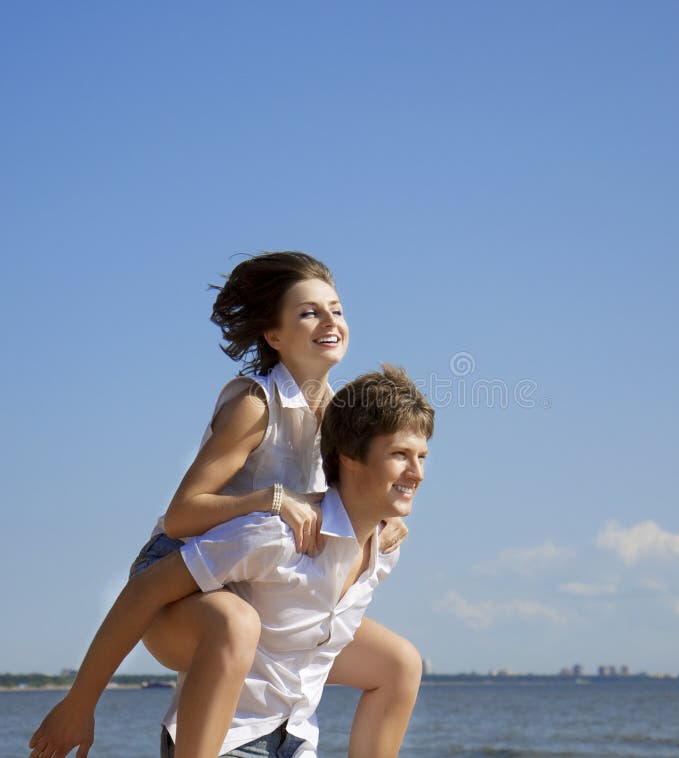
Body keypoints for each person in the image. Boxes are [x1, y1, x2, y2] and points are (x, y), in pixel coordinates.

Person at [29, 253, 419, 758]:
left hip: (256, 577)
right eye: (309, 313)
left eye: (336, 310)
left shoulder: (340, 414)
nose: (330, 322)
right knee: (237, 623)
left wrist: (385, 523)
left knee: (399, 664)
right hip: (177, 577)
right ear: (273, 335)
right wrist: (273, 500)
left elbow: (356, 493)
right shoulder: (255, 404)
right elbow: (182, 515)